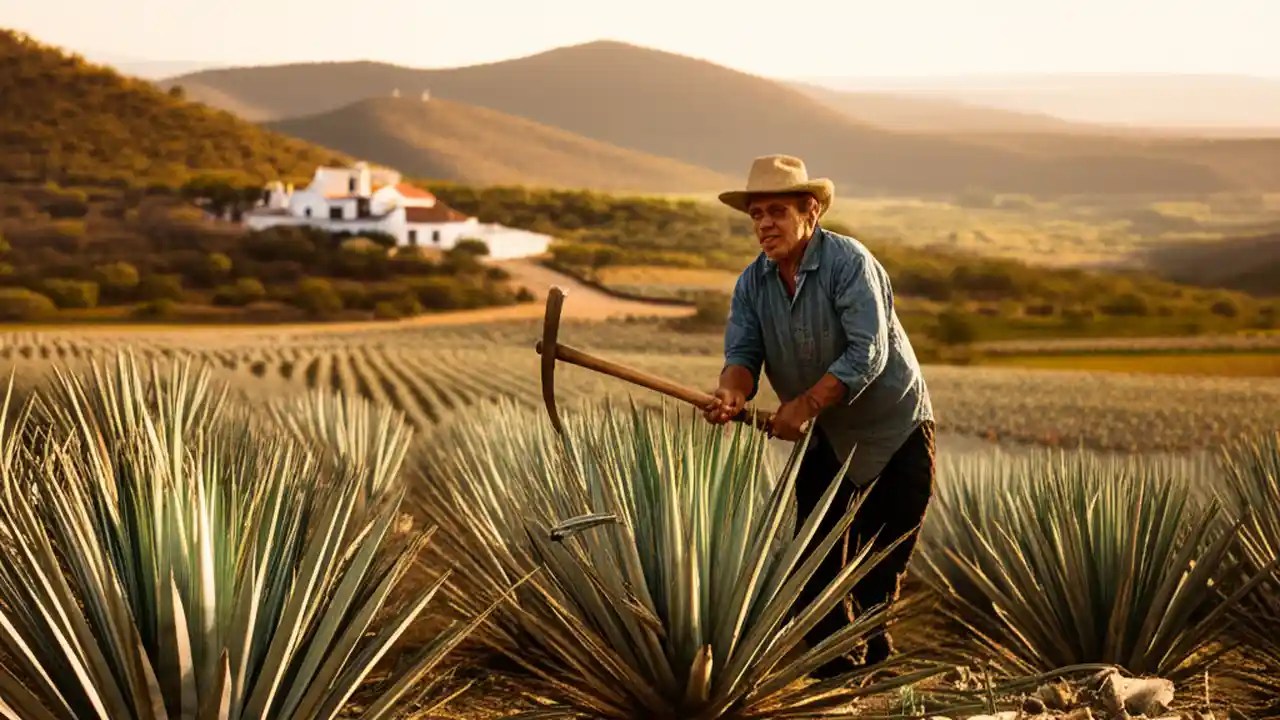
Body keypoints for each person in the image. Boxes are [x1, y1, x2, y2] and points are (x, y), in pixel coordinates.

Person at [704, 154, 935, 679]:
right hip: (830, 434)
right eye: (756, 214)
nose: (764, 224)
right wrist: (730, 394)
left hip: (896, 427)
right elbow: (742, 357)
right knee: (813, 555)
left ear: (810, 211)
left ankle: (875, 664)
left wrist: (804, 405)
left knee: (882, 558)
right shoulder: (752, 284)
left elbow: (868, 353)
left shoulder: (849, 263)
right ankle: (837, 672)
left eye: (776, 211)